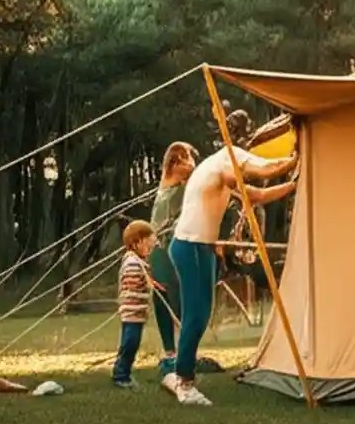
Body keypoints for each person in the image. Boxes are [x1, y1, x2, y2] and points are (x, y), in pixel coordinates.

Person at [162, 145, 299, 406]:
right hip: (188, 246)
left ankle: (180, 372)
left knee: (202, 314)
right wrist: (293, 161)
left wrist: (292, 186)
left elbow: (256, 195)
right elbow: (262, 169)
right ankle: (184, 381)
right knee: (196, 314)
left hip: (203, 247)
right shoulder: (218, 166)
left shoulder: (223, 172)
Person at [149, 142, 196, 377]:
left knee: (177, 297)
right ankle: (170, 351)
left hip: (171, 248)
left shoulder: (184, 185)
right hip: (158, 248)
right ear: (175, 162)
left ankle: (182, 350)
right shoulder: (170, 184)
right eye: (187, 158)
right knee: (162, 297)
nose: (191, 163)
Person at [113, 220, 159, 389]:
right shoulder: (133, 262)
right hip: (132, 312)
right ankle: (121, 375)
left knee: (130, 342)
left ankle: (122, 372)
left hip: (136, 312)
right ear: (136, 243)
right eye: (148, 244)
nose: (150, 249)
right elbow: (132, 283)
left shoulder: (137, 260)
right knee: (130, 343)